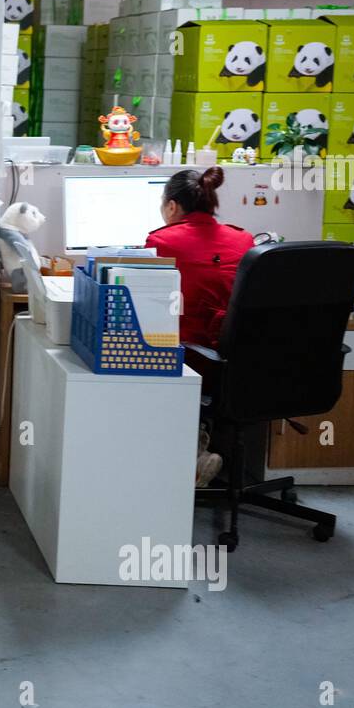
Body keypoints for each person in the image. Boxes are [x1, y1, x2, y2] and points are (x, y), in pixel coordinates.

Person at [144, 166, 254, 487]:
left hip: (185, 359)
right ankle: (195, 450)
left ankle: (184, 457)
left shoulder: (160, 241)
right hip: (239, 362)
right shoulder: (244, 239)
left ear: (172, 207)